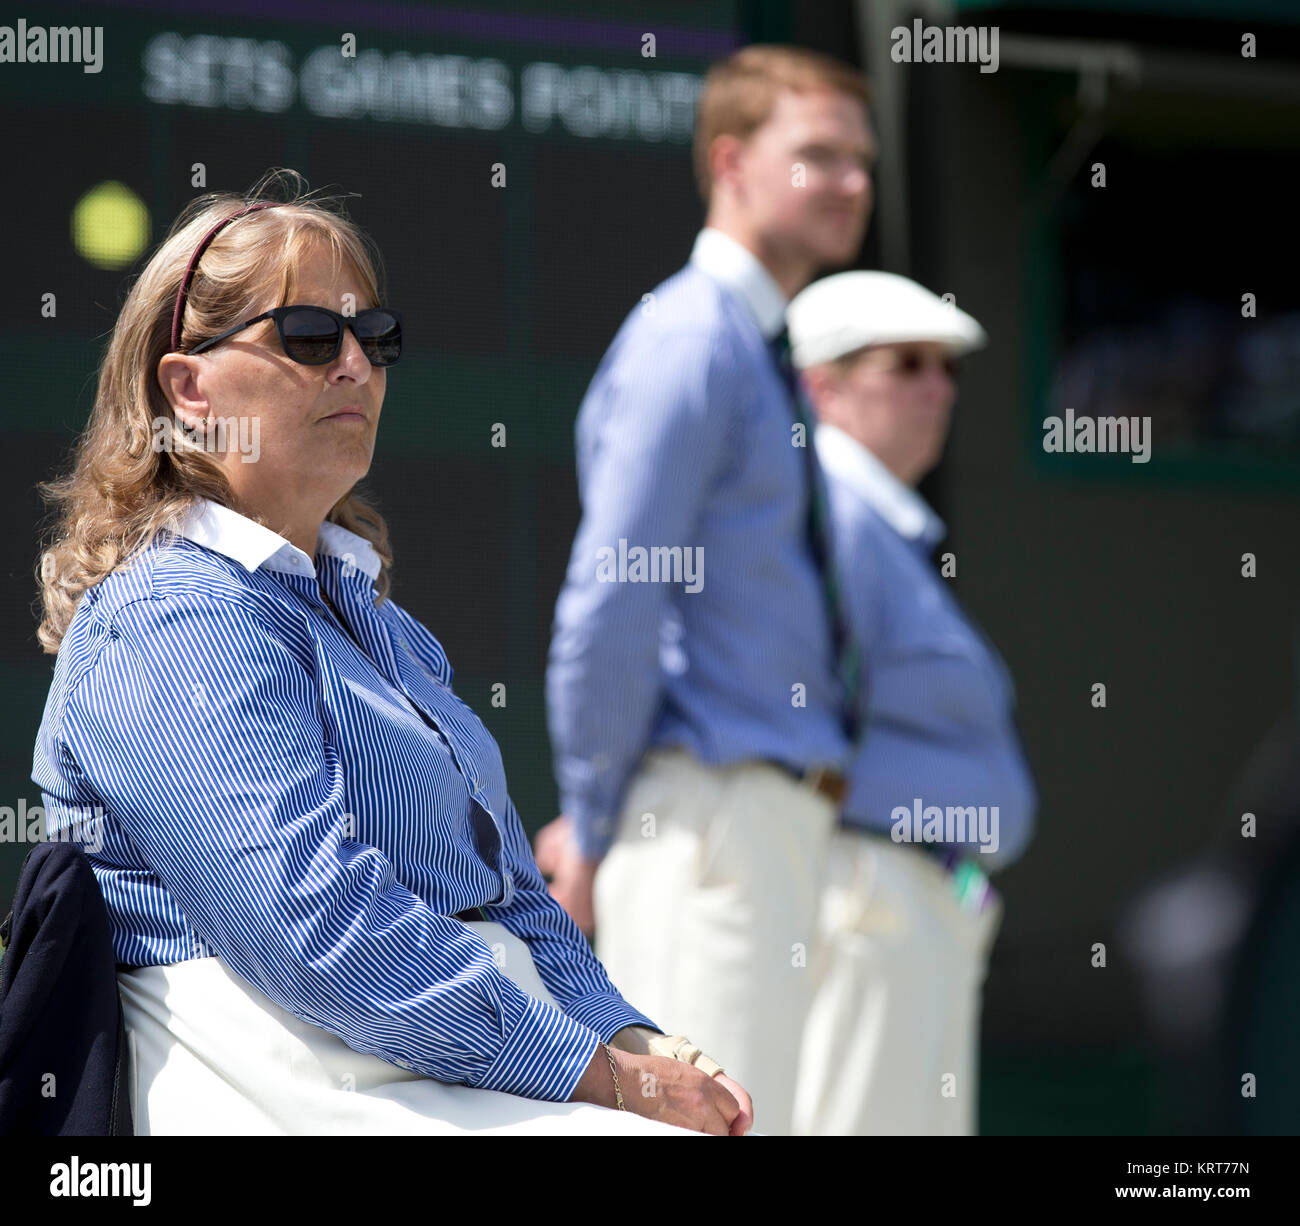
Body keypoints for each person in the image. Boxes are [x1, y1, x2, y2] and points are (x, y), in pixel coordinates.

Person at [30, 172, 752, 1136]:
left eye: (374, 339)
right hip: (301, 1087)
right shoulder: (165, 616)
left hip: (442, 1074)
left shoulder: (381, 622)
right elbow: (310, 924)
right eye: (310, 337)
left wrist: (628, 1038)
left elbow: (511, 891)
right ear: (188, 388)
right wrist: (599, 1076)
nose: (356, 368)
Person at [537, 46, 875, 1135]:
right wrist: (586, 824)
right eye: (819, 155)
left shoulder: (758, 345)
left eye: (861, 161)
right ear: (730, 162)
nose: (852, 183)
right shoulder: (691, 337)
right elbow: (613, 594)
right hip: (706, 826)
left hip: (763, 828)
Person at [784, 270, 1037, 1135]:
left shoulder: (873, 522)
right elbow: (784, 723)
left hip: (913, 907)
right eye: (908, 365)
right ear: (823, 384)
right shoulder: (830, 517)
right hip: (864, 903)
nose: (938, 388)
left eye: (947, 370)